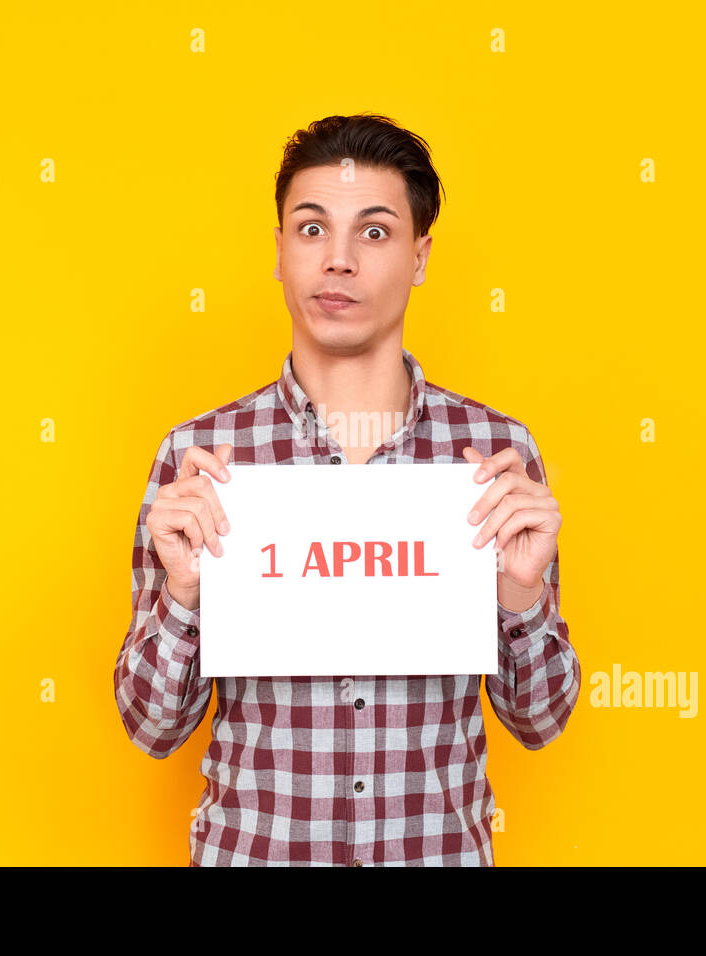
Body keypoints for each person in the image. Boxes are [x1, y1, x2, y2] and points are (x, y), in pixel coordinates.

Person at [113, 113, 582, 866]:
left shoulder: (496, 458)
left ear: (420, 257)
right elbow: (151, 728)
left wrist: (521, 598)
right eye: (309, 230)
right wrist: (184, 594)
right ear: (278, 253)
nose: (337, 260)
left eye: (373, 232)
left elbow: (540, 722)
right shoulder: (199, 461)